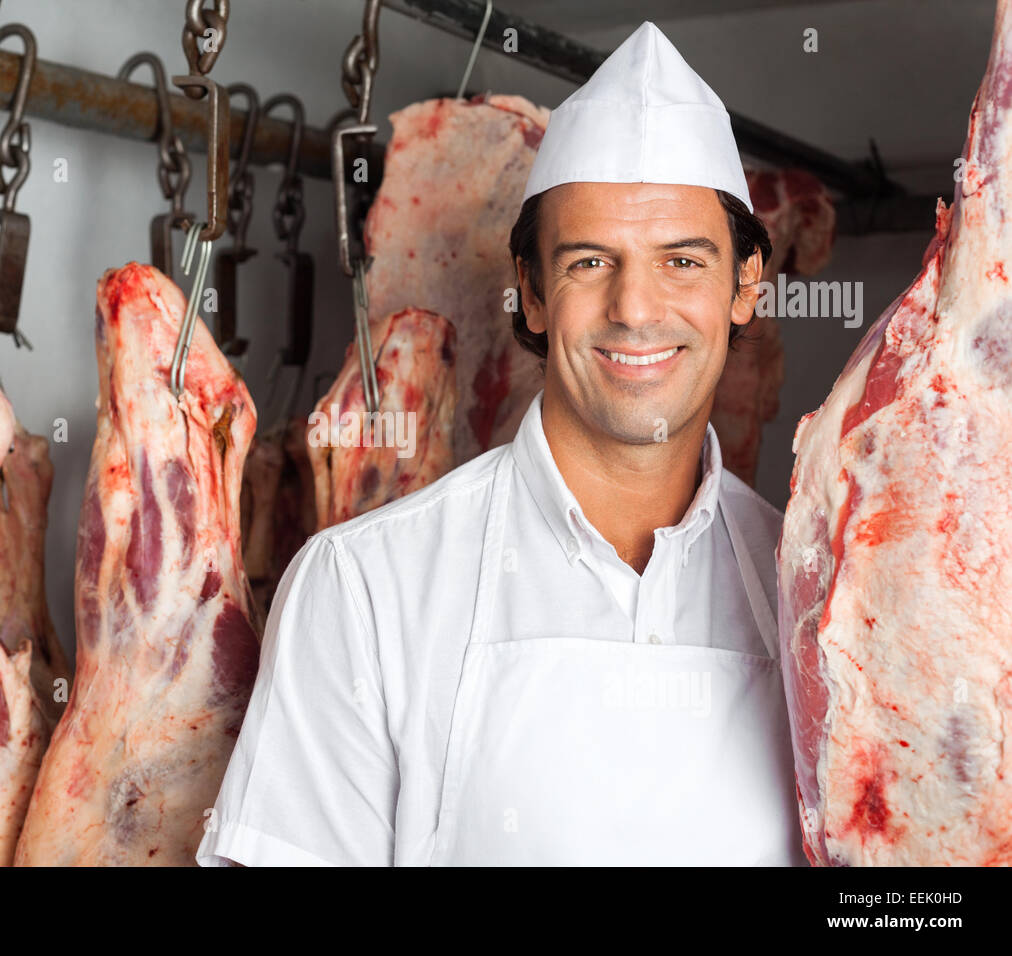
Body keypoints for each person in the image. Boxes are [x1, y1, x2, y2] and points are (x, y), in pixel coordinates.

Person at [197, 20, 805, 866]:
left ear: (744, 288)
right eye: (592, 262)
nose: (635, 308)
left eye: (682, 262)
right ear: (531, 291)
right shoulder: (365, 589)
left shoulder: (810, 589)